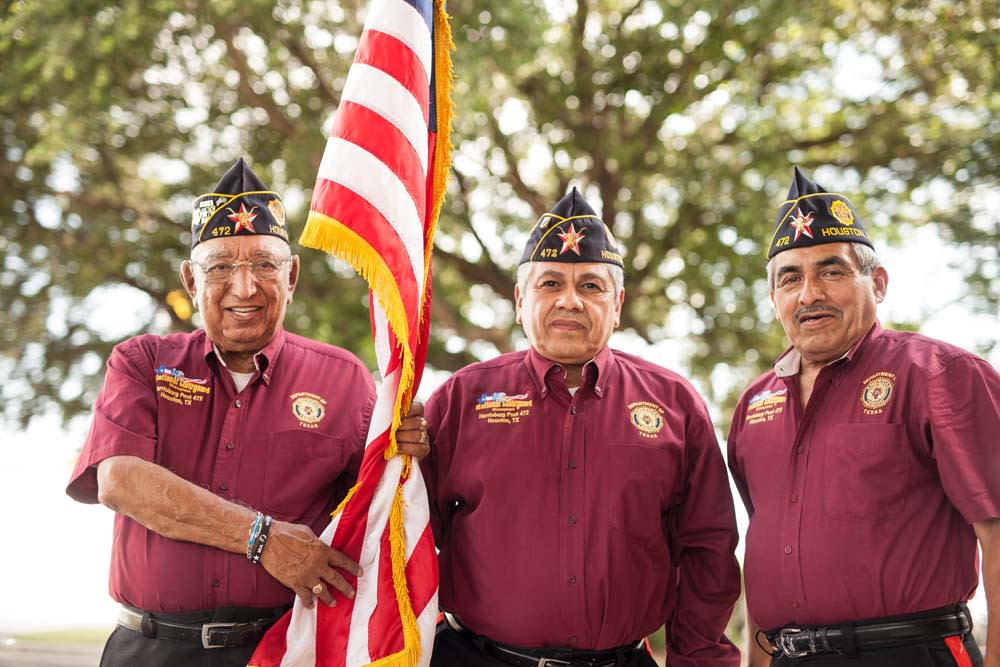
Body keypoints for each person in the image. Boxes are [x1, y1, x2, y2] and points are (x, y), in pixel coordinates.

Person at [66, 158, 429, 667]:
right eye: (220, 268)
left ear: (292, 275)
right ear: (191, 280)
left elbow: (377, 507)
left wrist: (409, 446)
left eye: (263, 264)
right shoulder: (142, 362)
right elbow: (121, 481)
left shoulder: (345, 379)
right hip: (150, 651)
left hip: (281, 650)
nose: (244, 287)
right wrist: (263, 538)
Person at [422, 188, 742, 667]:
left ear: (617, 303)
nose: (569, 301)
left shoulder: (675, 406)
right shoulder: (460, 401)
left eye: (591, 286)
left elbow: (708, 552)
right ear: (519, 299)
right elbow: (405, 535)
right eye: (550, 284)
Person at [727, 167, 1000, 667]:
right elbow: (763, 545)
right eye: (790, 278)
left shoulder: (943, 375)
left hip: (909, 652)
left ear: (877, 282)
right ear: (774, 299)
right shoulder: (753, 405)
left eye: (831, 271)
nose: (809, 294)